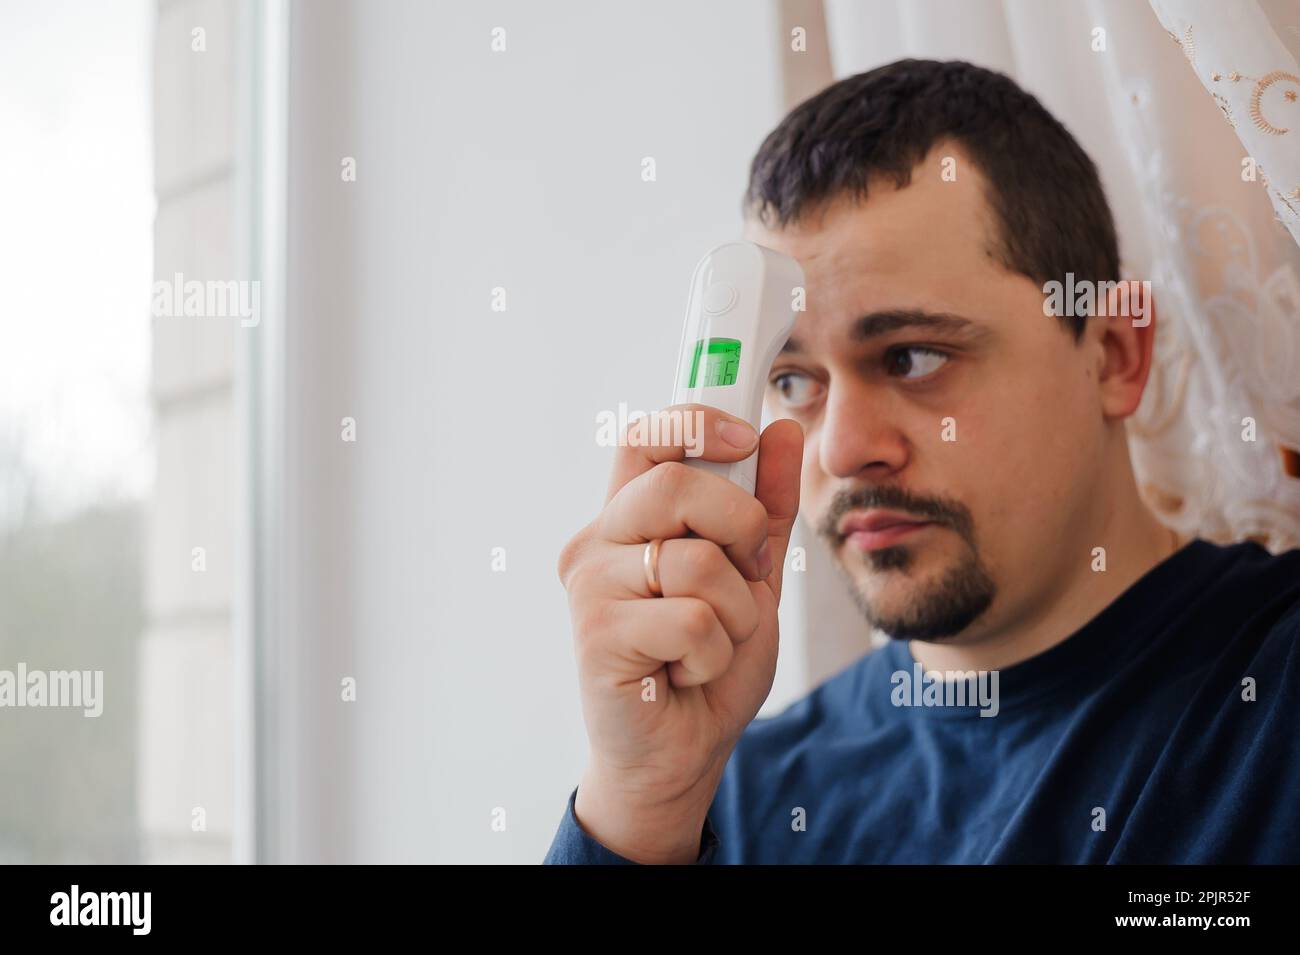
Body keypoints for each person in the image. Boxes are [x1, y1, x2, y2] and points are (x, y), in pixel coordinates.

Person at [545, 59, 1300, 864]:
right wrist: (637, 802)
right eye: (793, 380)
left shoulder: (1272, 705)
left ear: (1113, 354)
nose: (838, 448)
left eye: (911, 357)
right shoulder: (724, 794)